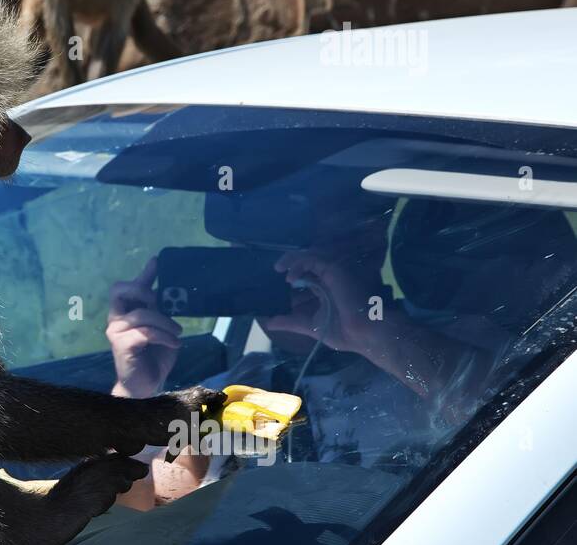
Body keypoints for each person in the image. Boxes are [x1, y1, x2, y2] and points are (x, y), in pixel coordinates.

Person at [104, 199, 510, 510]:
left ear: (370, 242)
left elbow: (522, 435)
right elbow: (140, 522)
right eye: (251, 261)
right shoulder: (224, 400)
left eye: (293, 255)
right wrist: (132, 399)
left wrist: (372, 334)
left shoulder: (461, 346)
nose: (278, 279)